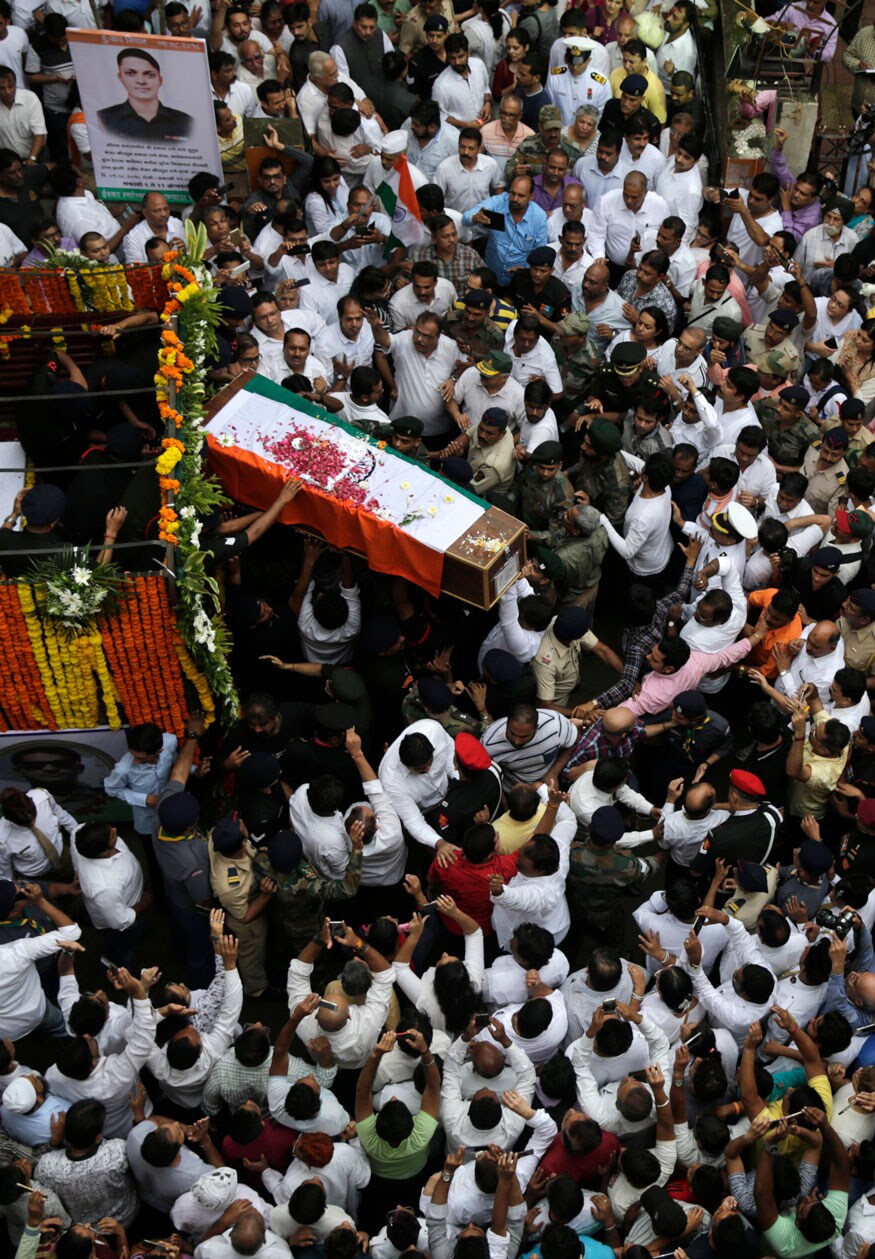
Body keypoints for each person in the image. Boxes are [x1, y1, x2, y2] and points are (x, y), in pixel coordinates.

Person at [97, 48, 193, 140]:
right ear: (120, 77)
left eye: (150, 75)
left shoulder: (186, 122)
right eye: (130, 73)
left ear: (160, 80)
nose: (141, 81)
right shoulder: (103, 119)